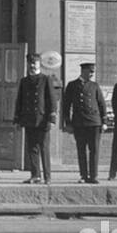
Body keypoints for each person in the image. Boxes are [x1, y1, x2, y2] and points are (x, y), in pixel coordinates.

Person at [12, 53, 56, 184]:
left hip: (42, 119)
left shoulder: (45, 79)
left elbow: (52, 101)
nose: (32, 65)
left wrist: (51, 119)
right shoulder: (24, 81)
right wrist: (18, 119)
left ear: (39, 64)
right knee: (32, 148)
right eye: (30, 63)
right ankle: (35, 175)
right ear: (27, 64)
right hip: (29, 119)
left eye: (35, 63)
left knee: (44, 148)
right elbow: (19, 101)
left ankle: (47, 177)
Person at [62, 61, 107, 183]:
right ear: (83, 71)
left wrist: (104, 121)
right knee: (81, 150)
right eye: (90, 72)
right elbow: (66, 106)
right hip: (79, 123)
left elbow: (102, 104)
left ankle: (93, 176)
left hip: (94, 122)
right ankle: (83, 175)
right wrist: (68, 123)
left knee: (94, 150)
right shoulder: (72, 85)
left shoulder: (94, 86)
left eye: (93, 72)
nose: (92, 74)